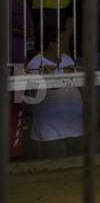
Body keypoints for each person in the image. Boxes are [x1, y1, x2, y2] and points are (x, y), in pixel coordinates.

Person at [25, 28, 82, 159]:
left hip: (75, 126)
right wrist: (47, 77)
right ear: (51, 43)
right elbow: (31, 98)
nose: (66, 42)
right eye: (62, 39)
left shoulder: (67, 58)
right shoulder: (35, 64)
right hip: (51, 131)